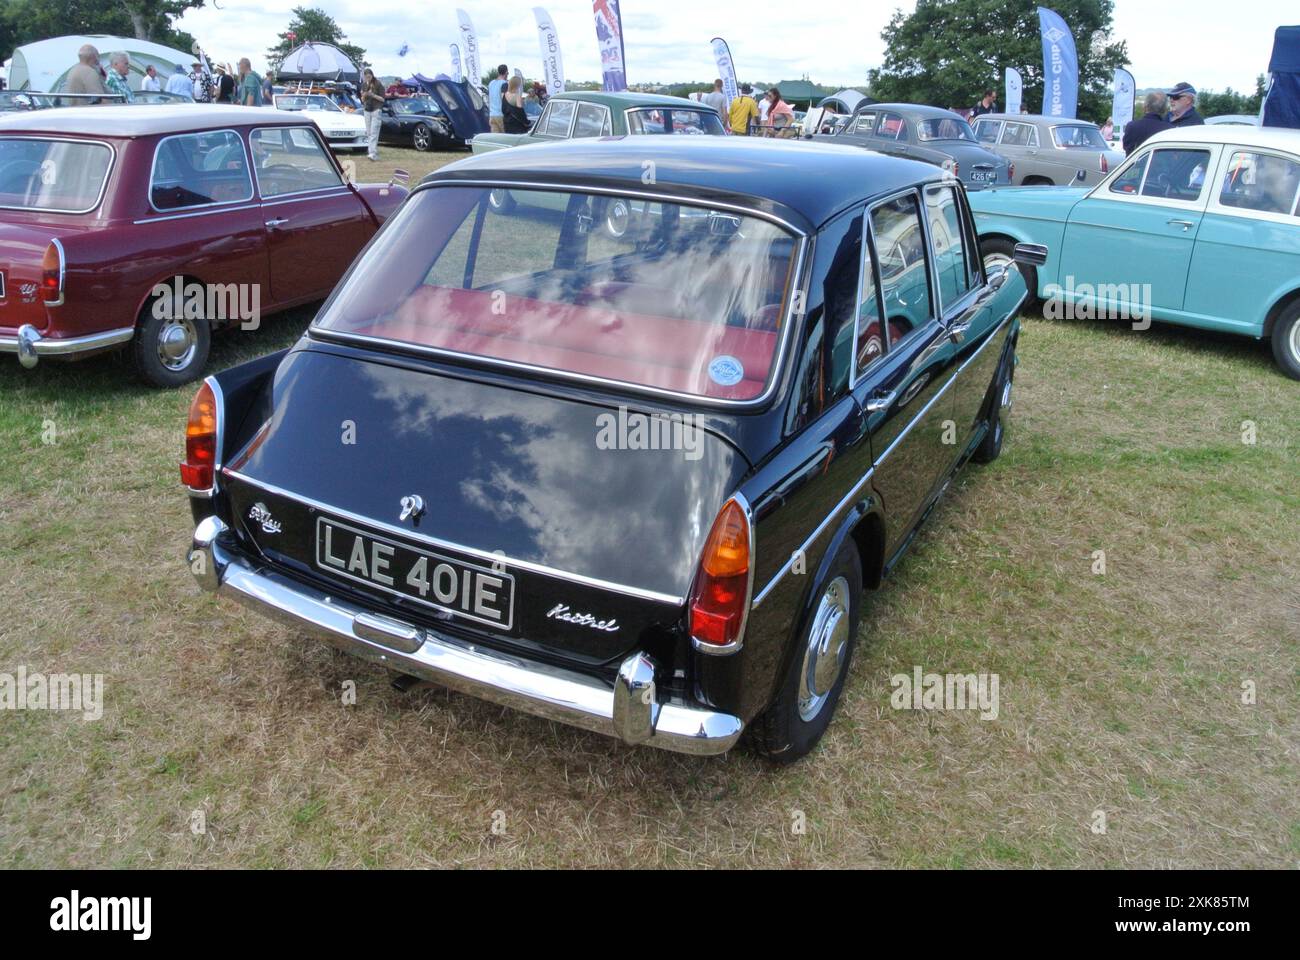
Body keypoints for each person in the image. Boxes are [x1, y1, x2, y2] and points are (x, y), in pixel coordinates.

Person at [359, 68, 385, 161]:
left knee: (374, 131)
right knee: (369, 132)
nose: (368, 78)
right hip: (367, 109)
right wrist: (364, 96)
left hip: (376, 109)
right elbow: (362, 99)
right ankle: (372, 151)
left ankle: (372, 153)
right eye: (366, 77)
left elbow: (383, 99)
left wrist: (373, 95)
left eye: (369, 76)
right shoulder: (363, 85)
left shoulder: (378, 84)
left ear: (372, 75)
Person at [487, 64, 508, 133]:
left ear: (498, 72)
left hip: (492, 115)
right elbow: (504, 99)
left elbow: (489, 99)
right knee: (505, 139)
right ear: (506, 72)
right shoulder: (504, 83)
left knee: (496, 140)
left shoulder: (491, 83)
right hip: (501, 115)